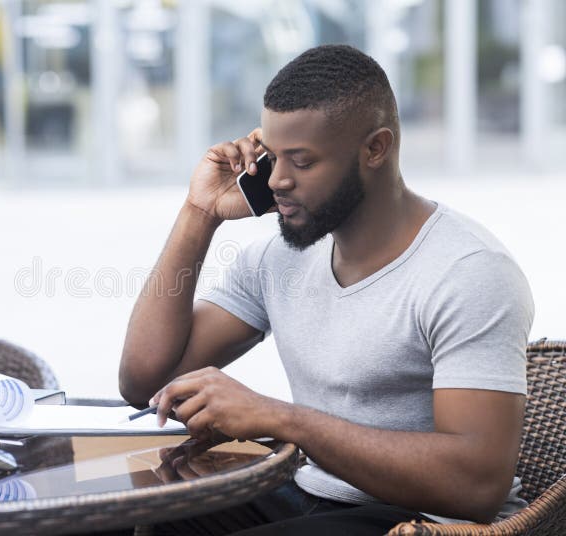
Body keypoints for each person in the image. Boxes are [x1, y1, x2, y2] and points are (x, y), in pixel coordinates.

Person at [118, 44, 534, 535]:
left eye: (302, 161)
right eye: (272, 157)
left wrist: (280, 418)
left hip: (421, 519)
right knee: (125, 519)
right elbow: (145, 381)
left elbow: (477, 487)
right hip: (308, 491)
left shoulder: (468, 272)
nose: (276, 181)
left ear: (376, 149)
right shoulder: (280, 258)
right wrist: (199, 212)